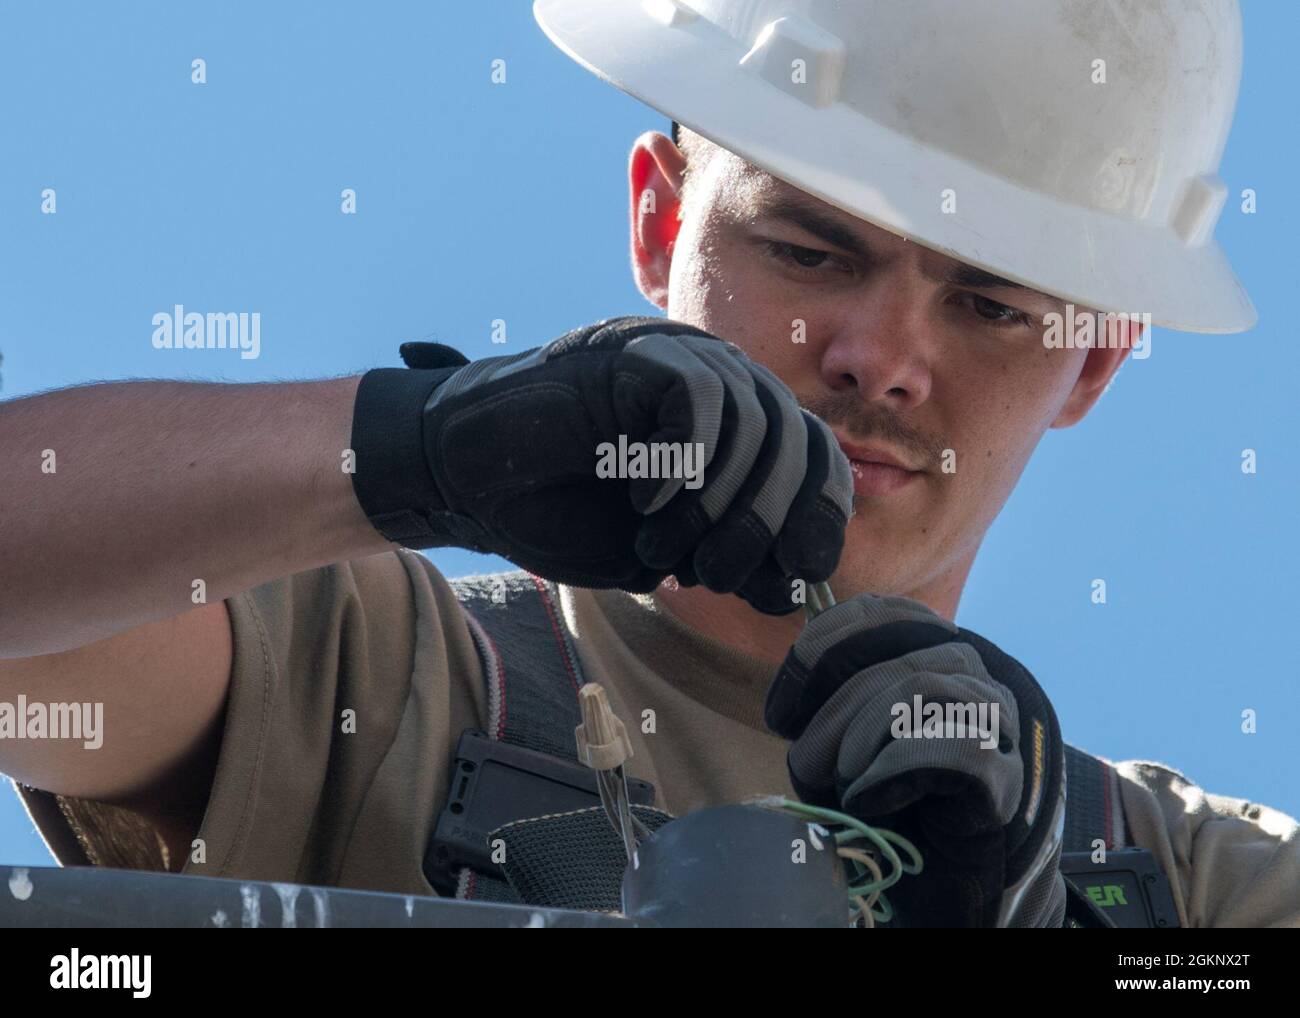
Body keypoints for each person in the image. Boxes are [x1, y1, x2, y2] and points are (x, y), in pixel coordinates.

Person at [2, 0, 1294, 927]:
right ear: (660, 215)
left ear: (1090, 365)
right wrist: (410, 447)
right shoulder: (392, 685)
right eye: (810, 246)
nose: (881, 356)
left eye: (993, 305)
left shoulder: (1198, 889)